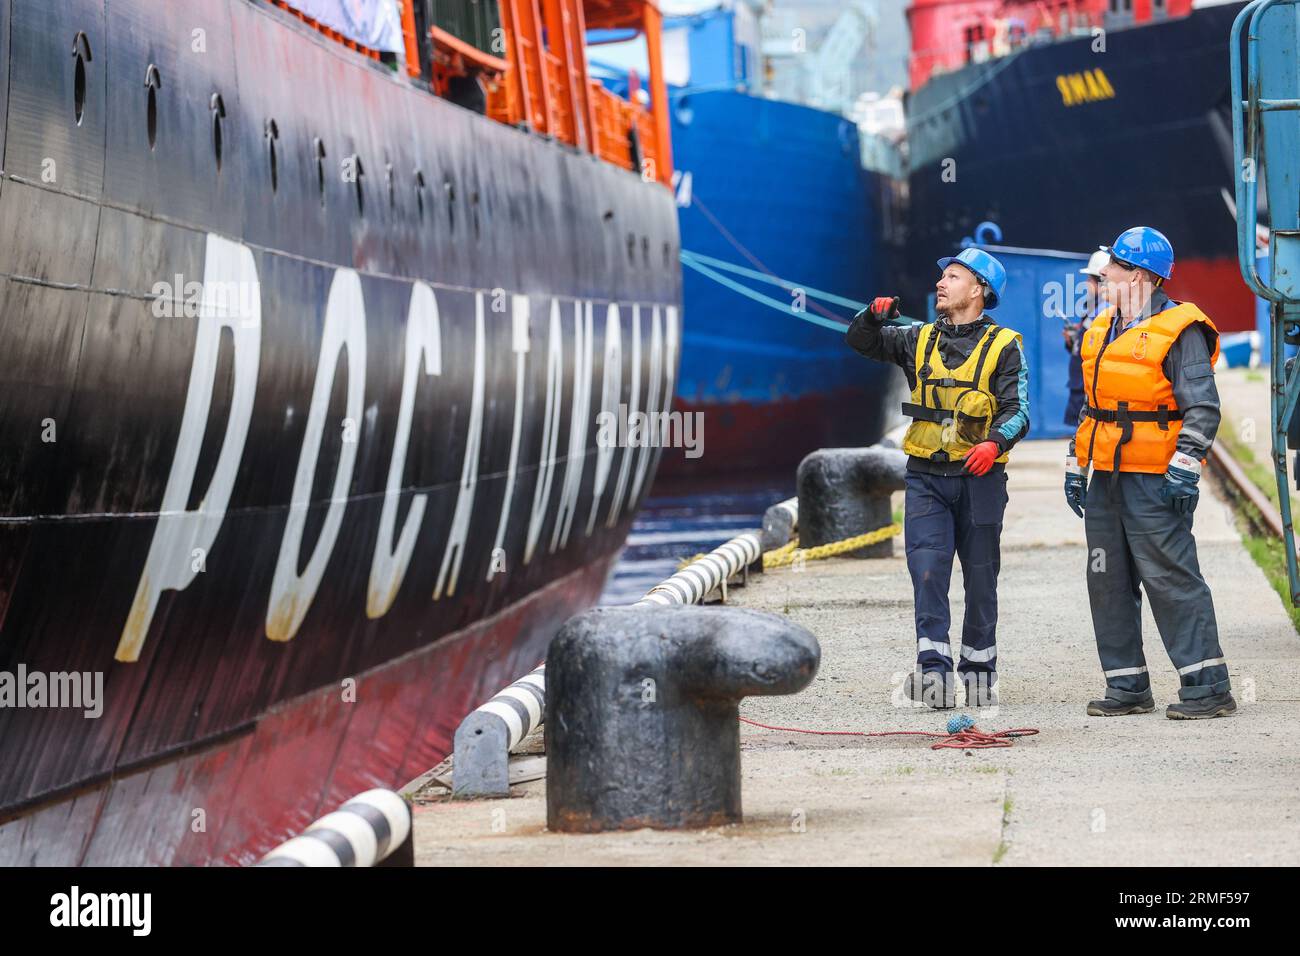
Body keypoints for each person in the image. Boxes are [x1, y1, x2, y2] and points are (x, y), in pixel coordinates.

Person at [847, 248, 1030, 708]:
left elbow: (1019, 411)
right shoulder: (917, 339)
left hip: (980, 480)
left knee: (981, 577)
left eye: (952, 276)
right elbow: (861, 342)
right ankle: (934, 674)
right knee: (927, 572)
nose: (941, 284)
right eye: (941, 277)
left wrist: (995, 443)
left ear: (980, 290)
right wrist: (871, 317)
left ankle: (979, 674)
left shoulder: (1006, 345)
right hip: (926, 476)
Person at [1065, 226, 1236, 719]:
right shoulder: (1103, 327)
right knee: (1107, 578)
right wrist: (1077, 466)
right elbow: (1092, 409)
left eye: (1113, 267)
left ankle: (1208, 690)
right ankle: (1127, 688)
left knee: (1171, 579)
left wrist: (1185, 468)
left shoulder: (1180, 331)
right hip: (1107, 481)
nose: (1104, 274)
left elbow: (1202, 407)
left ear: (1137, 275)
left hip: (1156, 480)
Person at [1064, 250, 1108, 426]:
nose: (1086, 283)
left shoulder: (1106, 312)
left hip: (1090, 387)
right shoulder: (1092, 309)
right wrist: (1072, 339)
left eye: (1090, 279)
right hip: (1082, 383)